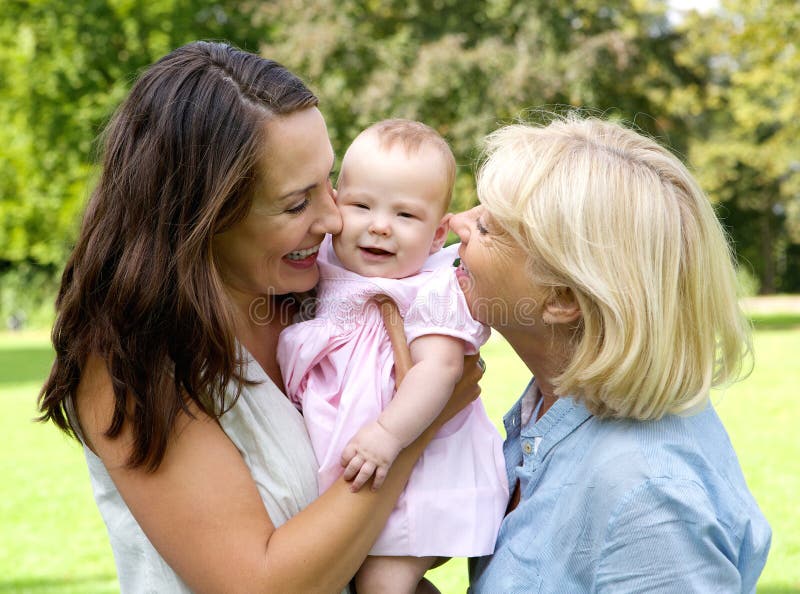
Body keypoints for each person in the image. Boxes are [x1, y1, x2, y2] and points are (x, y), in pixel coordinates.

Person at [36, 41, 484, 594]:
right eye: (296, 204)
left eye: (329, 181)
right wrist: (419, 425)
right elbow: (261, 584)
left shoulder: (319, 293)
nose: (333, 218)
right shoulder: (132, 363)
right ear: (202, 214)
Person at [449, 115, 772, 592]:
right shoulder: (550, 406)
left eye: (487, 227)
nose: (456, 222)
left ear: (562, 299)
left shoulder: (649, 498)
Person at [277, 120, 508, 594]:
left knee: (382, 585)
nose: (379, 225)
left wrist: (387, 435)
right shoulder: (325, 260)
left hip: (417, 478)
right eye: (361, 205)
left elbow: (441, 369)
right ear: (336, 203)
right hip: (360, 472)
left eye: (405, 216)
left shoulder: (431, 288)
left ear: (437, 233)